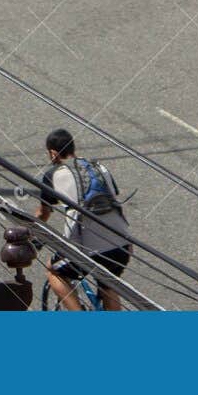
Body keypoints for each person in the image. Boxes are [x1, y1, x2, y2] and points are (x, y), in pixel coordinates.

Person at [35, 128, 131, 310]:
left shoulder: (53, 174)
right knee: (109, 283)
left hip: (85, 249)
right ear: (73, 148)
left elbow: (43, 213)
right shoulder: (99, 167)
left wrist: (33, 237)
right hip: (122, 245)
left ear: (53, 153)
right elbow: (114, 201)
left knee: (54, 271)